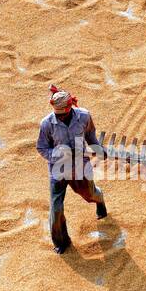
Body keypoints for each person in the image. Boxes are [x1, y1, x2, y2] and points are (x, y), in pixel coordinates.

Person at [36, 84, 107, 253]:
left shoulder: (83, 116)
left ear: (69, 109)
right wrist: (60, 154)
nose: (59, 118)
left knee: (90, 194)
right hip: (58, 171)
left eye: (63, 115)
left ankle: (100, 201)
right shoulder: (47, 124)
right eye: (57, 115)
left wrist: (98, 149)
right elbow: (42, 148)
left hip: (81, 167)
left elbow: (90, 136)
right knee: (56, 208)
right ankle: (61, 242)